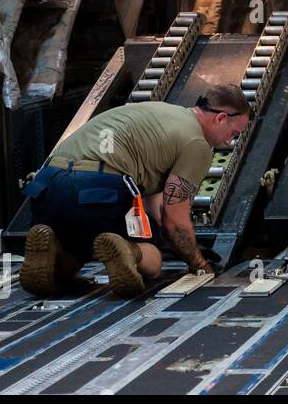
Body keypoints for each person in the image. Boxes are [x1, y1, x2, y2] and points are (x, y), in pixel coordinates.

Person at [19, 84, 249, 297]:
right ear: (220, 118)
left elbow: (154, 206)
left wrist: (190, 245)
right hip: (97, 187)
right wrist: (200, 265)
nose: (229, 143)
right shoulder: (197, 144)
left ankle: (54, 249)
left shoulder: (162, 112)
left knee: (80, 247)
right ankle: (130, 250)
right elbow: (174, 221)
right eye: (234, 134)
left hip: (46, 185)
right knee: (153, 259)